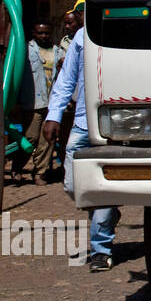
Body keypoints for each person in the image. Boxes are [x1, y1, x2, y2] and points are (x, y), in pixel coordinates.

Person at [42, 26, 118, 271]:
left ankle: (101, 249)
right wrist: (53, 115)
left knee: (102, 188)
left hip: (113, 125)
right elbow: (67, 77)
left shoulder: (128, 30)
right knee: (74, 186)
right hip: (82, 124)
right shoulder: (81, 36)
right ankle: (106, 216)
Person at [11, 20, 64, 182]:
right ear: (33, 34)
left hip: (52, 102)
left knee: (48, 139)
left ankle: (40, 172)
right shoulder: (26, 50)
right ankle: (17, 166)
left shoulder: (57, 52)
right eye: (40, 33)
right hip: (32, 101)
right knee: (30, 138)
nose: (44, 36)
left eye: (46, 33)